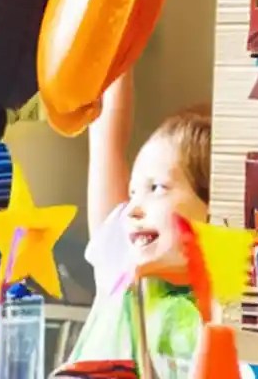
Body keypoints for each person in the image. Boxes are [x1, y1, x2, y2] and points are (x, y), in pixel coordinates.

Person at [62, 72, 213, 365]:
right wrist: (119, 44)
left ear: (214, 204)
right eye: (132, 193)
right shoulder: (121, 266)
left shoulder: (225, 314)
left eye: (156, 188)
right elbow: (107, 140)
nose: (133, 210)